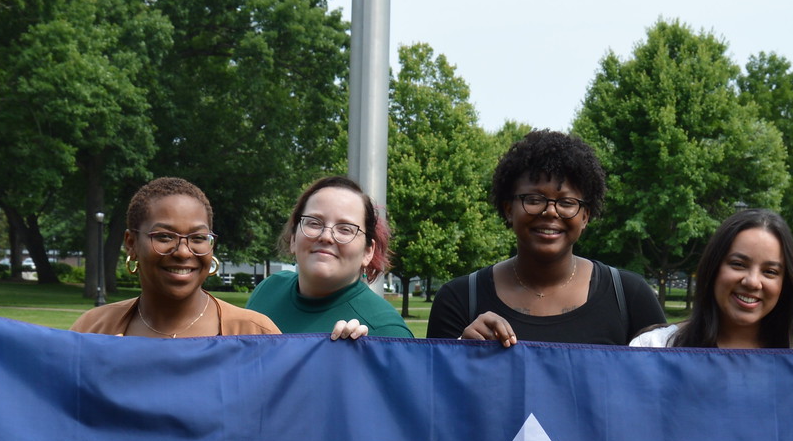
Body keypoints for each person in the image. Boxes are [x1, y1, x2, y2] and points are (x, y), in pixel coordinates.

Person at [424, 130, 665, 346]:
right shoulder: (459, 299)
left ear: (585, 216)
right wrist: (459, 351)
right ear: (508, 209)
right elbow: (436, 392)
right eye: (534, 200)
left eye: (567, 203)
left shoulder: (629, 296)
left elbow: (661, 387)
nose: (550, 211)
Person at [75, 178, 282, 338]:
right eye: (164, 236)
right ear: (131, 243)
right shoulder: (92, 331)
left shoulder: (255, 334)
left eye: (198, 237)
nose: (183, 252)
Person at [626, 208, 793, 354]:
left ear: (784, 284)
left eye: (770, 271)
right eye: (738, 264)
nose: (752, 282)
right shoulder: (653, 349)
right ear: (714, 269)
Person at [248, 175, 412, 338]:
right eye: (314, 222)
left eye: (345, 229)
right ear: (293, 238)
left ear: (367, 252)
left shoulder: (385, 331)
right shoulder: (268, 290)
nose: (326, 236)